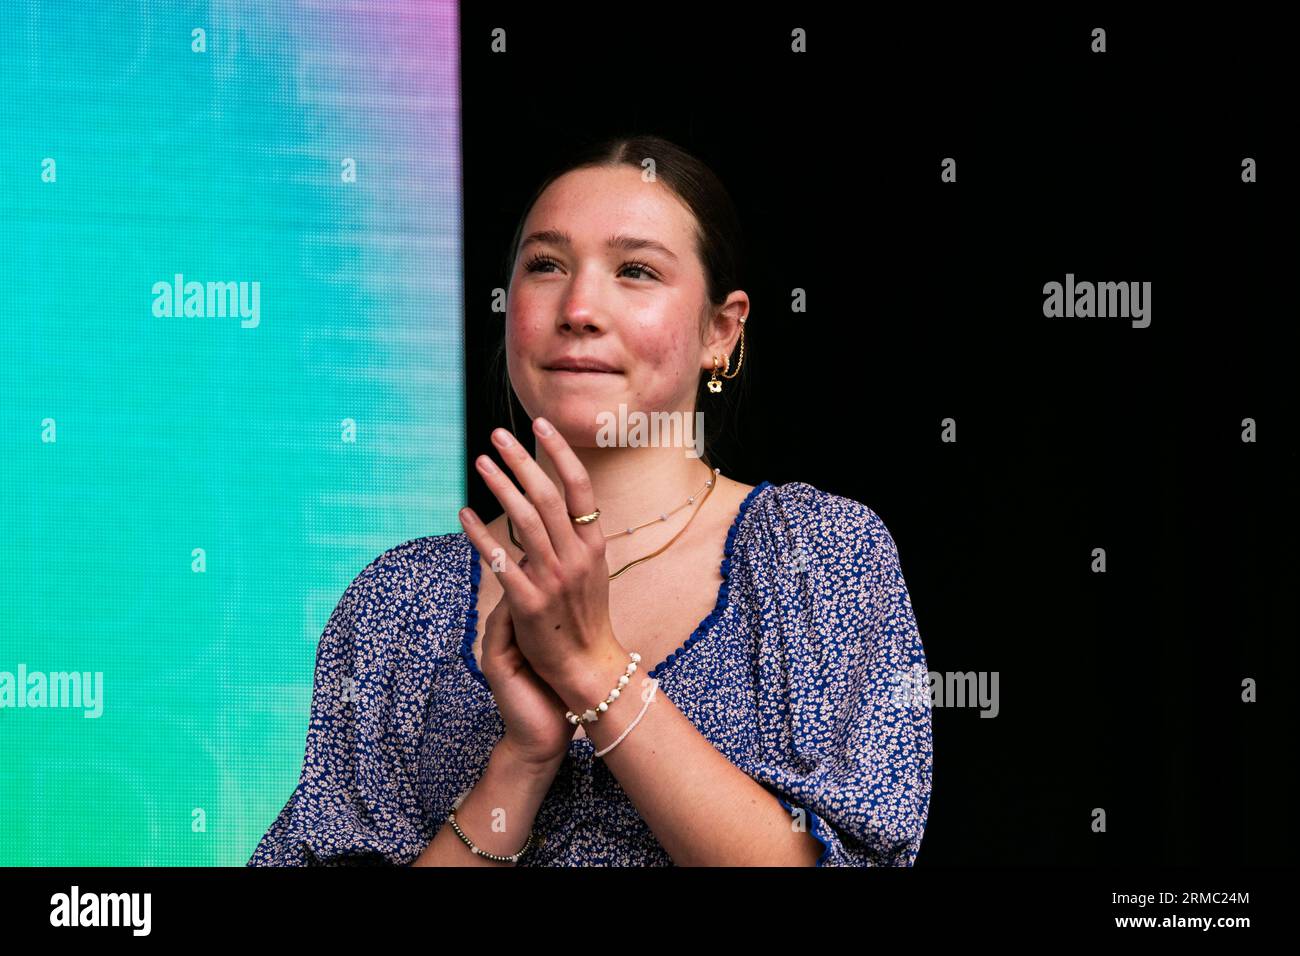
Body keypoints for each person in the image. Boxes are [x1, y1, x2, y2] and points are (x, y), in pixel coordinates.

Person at [248, 134, 933, 866]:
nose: (577, 307)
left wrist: (594, 669)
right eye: (546, 266)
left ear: (722, 332)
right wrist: (522, 760)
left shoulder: (818, 553)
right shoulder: (397, 602)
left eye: (636, 271)